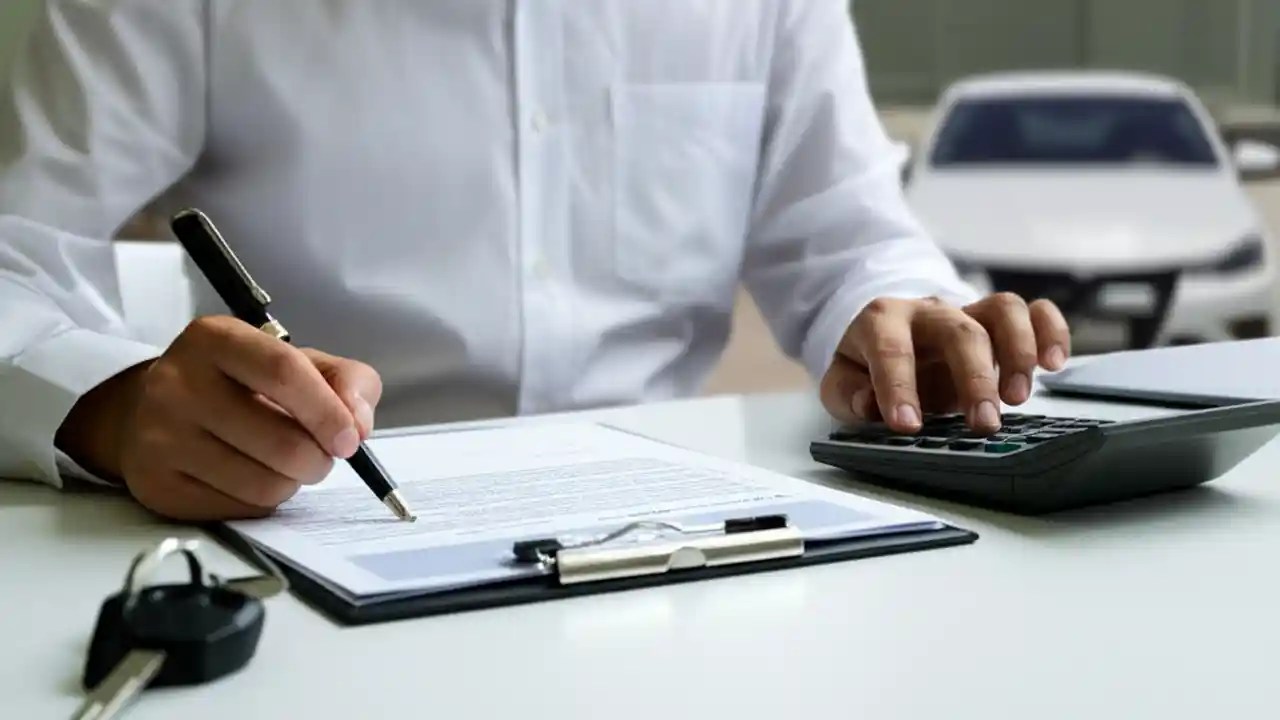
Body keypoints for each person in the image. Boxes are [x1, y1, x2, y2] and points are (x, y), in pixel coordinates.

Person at [0, 1, 1069, 522]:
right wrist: (114, 403)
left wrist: (894, 311)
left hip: (679, 535)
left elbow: (843, 226)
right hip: (321, 522)